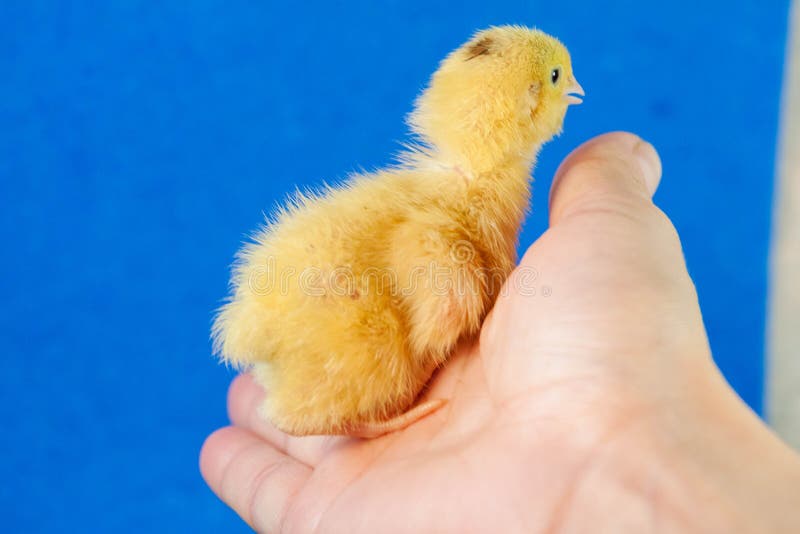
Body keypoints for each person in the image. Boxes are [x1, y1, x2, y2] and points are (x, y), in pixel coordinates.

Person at [199, 132, 800, 533]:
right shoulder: (455, 214)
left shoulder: (425, 195)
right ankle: (314, 404)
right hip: (334, 320)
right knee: (386, 324)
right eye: (558, 85)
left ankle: (313, 397)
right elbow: (438, 297)